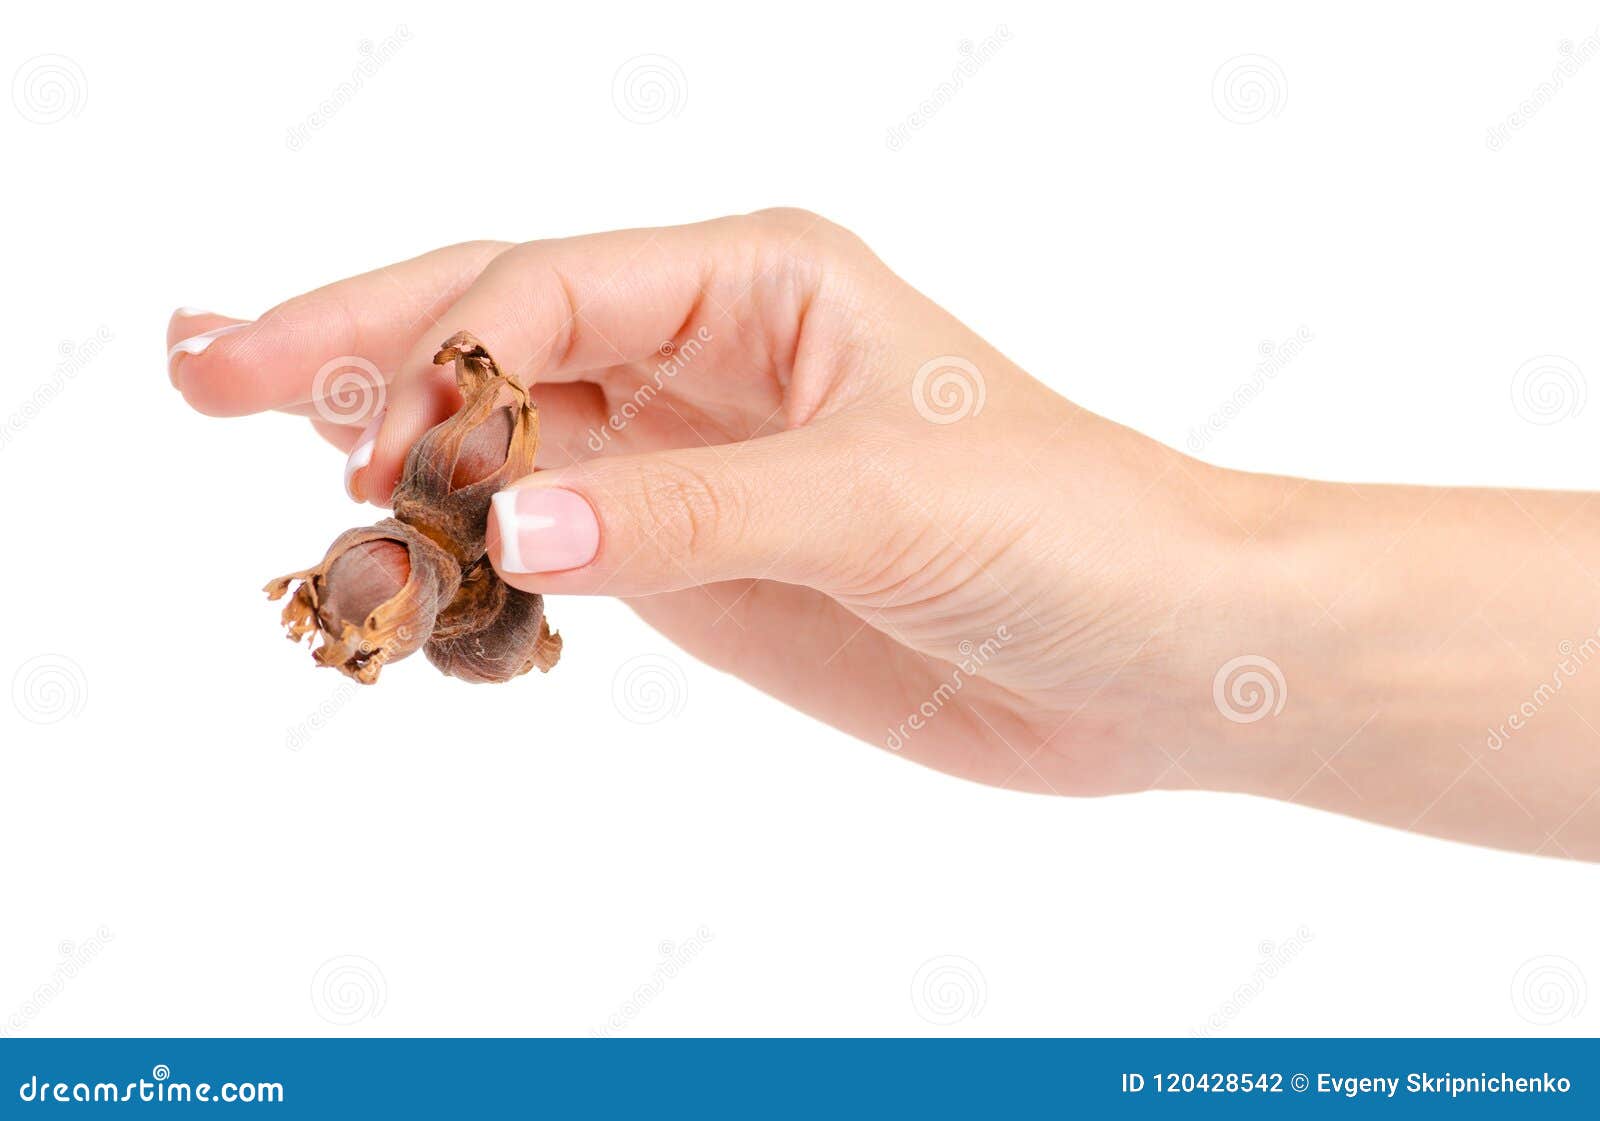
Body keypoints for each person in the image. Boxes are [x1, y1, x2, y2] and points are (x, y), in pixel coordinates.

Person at [169, 209, 1600, 862]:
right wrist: (1202, 642)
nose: (360, 603)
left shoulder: (462, 512)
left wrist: (1208, 633)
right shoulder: (452, 537)